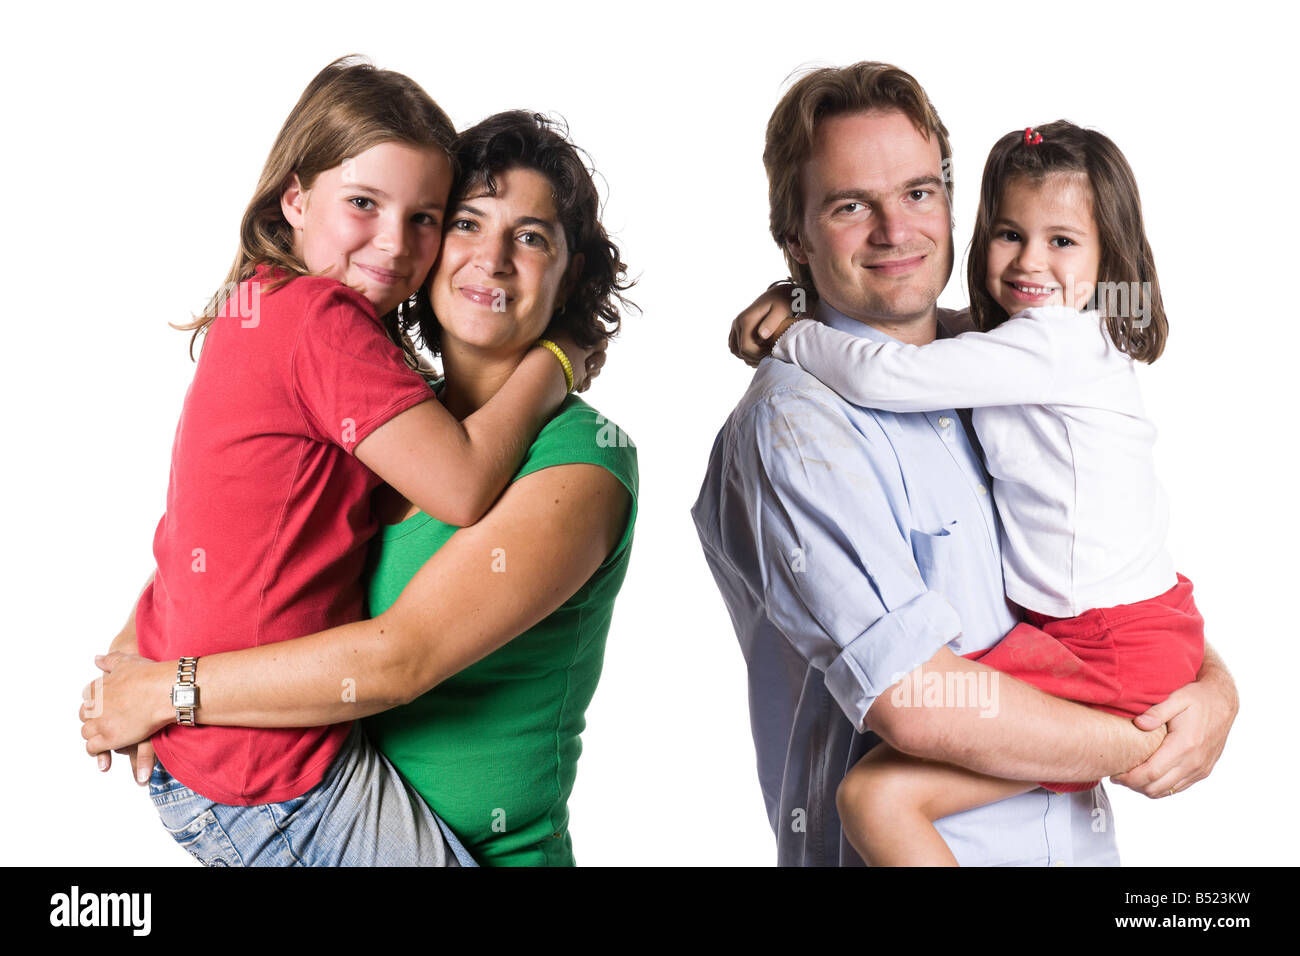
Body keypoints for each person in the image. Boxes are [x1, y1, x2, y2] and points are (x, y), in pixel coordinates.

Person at [692, 62, 1238, 866]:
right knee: (879, 793)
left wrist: (1215, 690)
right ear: (797, 239)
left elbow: (1107, 579)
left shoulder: (990, 366)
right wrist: (1142, 737)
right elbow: (915, 701)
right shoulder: (798, 427)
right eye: (850, 206)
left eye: (917, 193)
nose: (896, 230)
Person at [79, 57, 606, 866]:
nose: (397, 244)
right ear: (295, 198)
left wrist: (162, 684)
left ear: (571, 275)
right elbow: (455, 486)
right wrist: (553, 364)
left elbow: (392, 646)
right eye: (466, 222)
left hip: (257, 773)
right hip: (281, 784)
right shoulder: (324, 326)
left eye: (427, 216)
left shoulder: (578, 462)